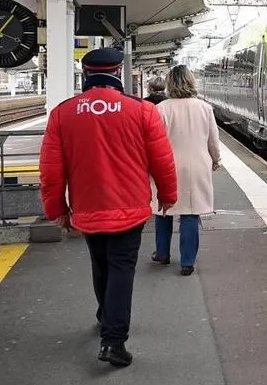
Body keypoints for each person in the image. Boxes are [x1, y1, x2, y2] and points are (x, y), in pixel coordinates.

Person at [39, 48, 178, 367]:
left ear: (85, 74)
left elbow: (50, 169)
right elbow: (162, 160)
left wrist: (56, 207)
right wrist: (168, 194)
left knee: (100, 263)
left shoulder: (63, 113)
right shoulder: (141, 110)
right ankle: (113, 341)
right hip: (129, 207)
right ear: (118, 73)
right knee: (121, 268)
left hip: (87, 205)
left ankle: (105, 316)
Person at [151, 65, 221, 276]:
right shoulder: (204, 108)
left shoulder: (162, 108)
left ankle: (162, 253)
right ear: (191, 82)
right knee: (190, 212)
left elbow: (154, 141)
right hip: (197, 166)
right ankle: (187, 262)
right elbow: (213, 139)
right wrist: (216, 159)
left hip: (167, 165)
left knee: (164, 209)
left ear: (170, 84)